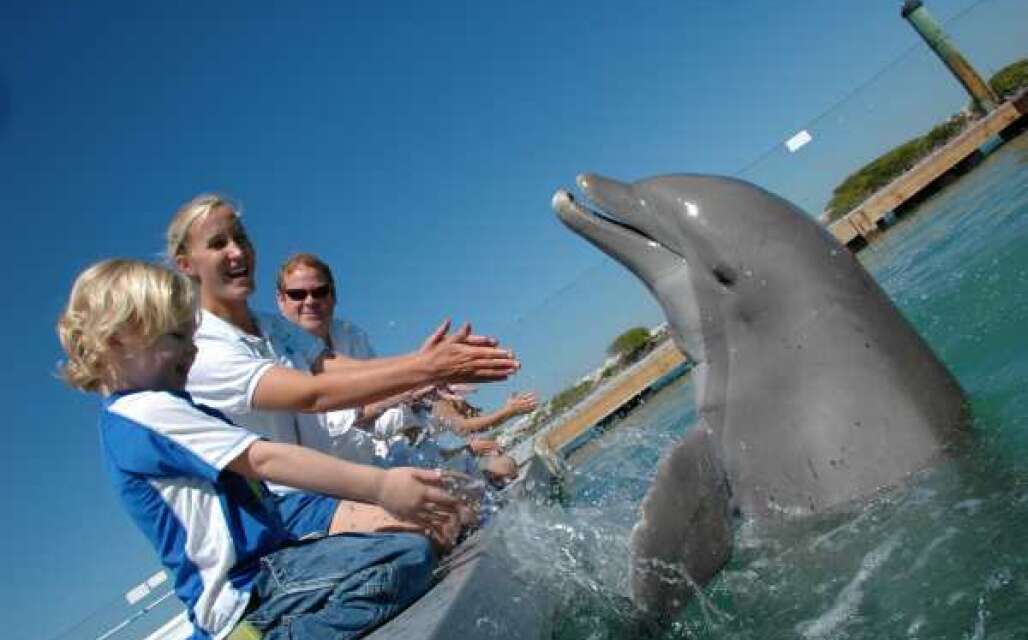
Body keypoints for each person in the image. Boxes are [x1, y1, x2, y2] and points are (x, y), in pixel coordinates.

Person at [57, 259, 460, 639]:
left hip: (271, 567)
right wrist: (381, 485)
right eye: (177, 336)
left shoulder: (151, 413)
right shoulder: (145, 411)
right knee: (405, 556)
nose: (192, 350)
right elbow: (265, 458)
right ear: (117, 340)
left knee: (405, 549)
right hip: (244, 591)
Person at [167, 193, 519, 543]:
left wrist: (430, 364)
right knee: (442, 523)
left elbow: (333, 368)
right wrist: (427, 368)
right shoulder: (204, 350)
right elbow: (312, 394)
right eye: (218, 244)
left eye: (240, 237)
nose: (238, 251)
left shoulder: (272, 326)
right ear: (186, 264)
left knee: (471, 500)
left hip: (338, 485)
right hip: (287, 507)